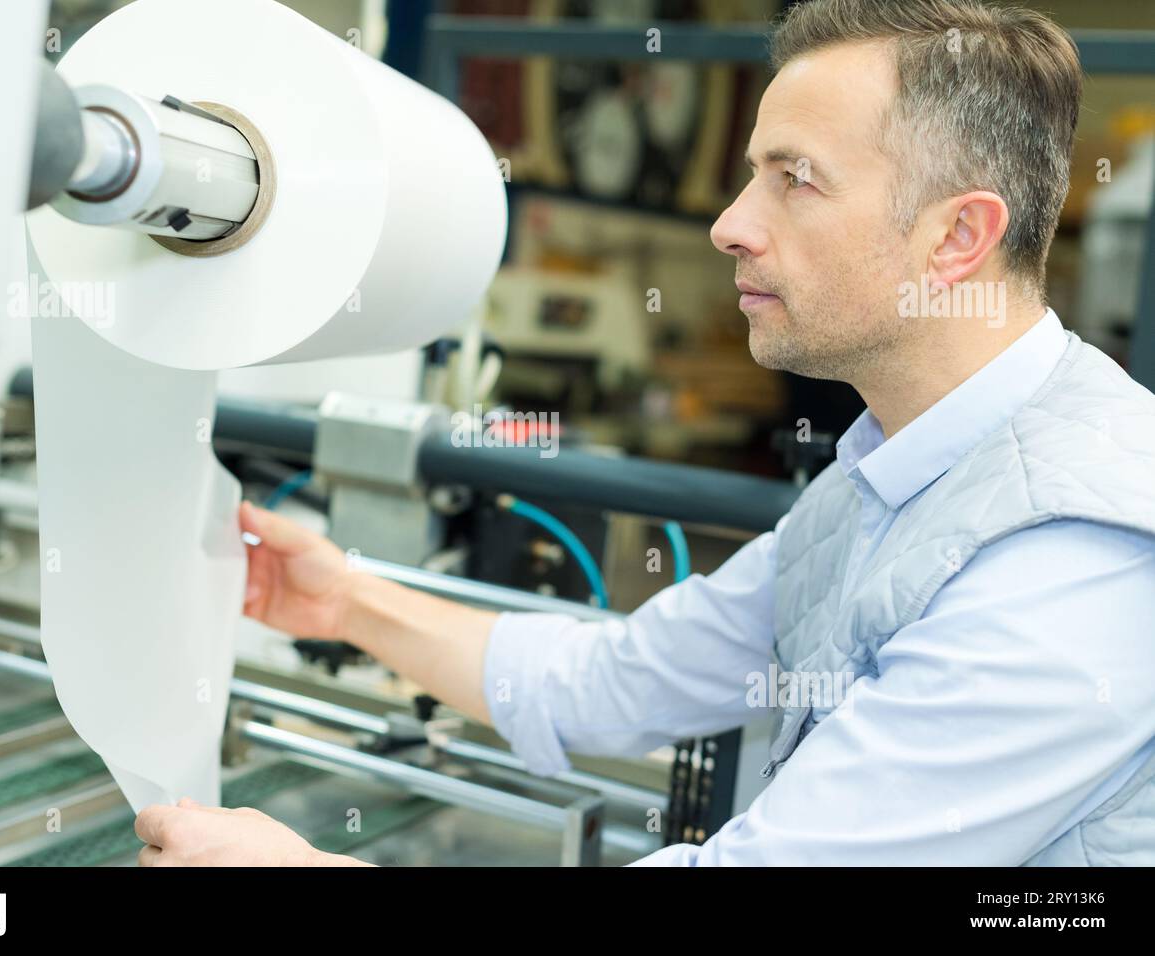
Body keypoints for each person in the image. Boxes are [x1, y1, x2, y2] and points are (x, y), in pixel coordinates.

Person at [135, 0, 1155, 866]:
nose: (729, 223)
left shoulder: (1074, 555)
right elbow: (616, 678)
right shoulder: (888, 474)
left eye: (794, 178)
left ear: (956, 237)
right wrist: (344, 597)